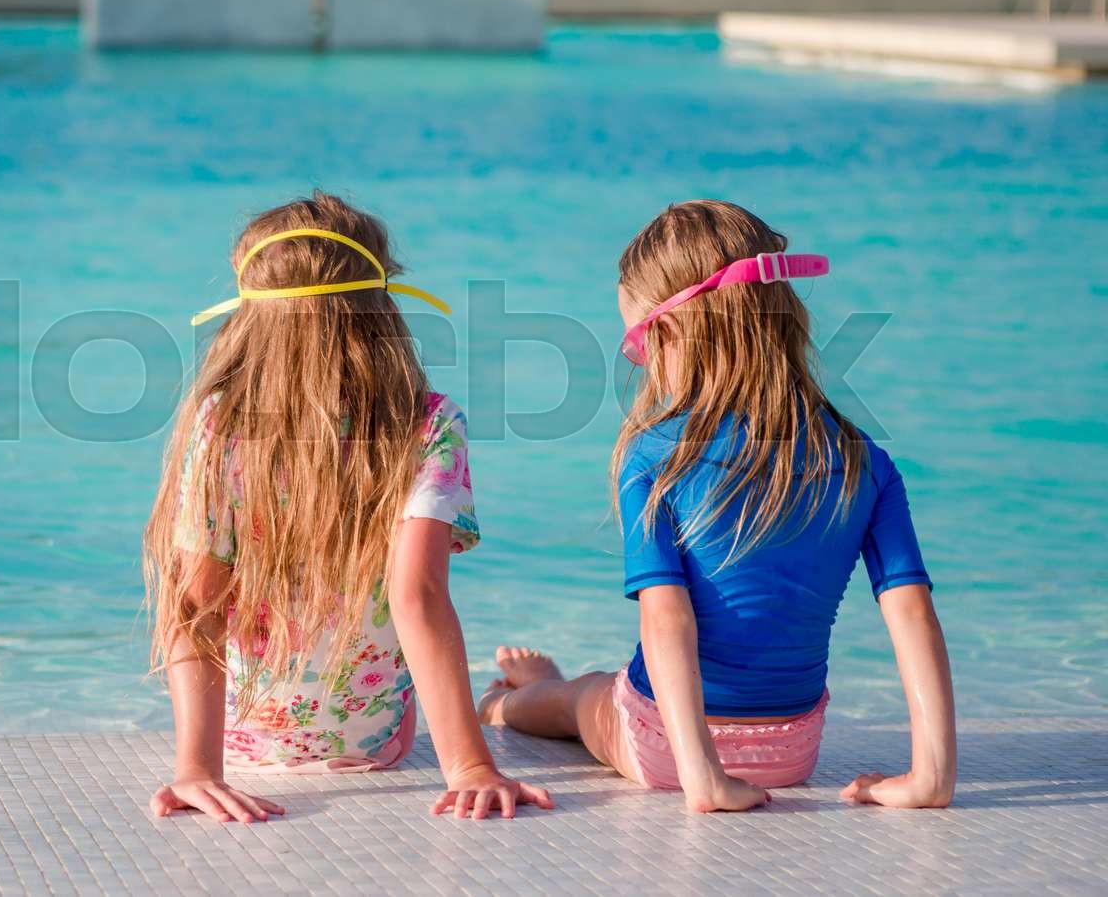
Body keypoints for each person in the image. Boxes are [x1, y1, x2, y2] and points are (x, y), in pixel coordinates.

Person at [480, 199, 956, 813]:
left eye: (637, 345)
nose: (642, 364)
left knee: (585, 698)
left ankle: (510, 699)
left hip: (666, 744)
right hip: (793, 748)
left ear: (671, 332)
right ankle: (550, 686)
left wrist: (702, 775)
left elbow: (667, 621)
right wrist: (929, 779)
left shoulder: (656, 455)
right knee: (601, 689)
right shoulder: (866, 461)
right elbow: (914, 615)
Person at [144, 192, 553, 823]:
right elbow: (417, 598)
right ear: (381, 304)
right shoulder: (429, 424)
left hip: (242, 742)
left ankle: (514, 697)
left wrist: (197, 771)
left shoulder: (220, 423)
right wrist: (471, 768)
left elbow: (197, 606)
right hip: (371, 741)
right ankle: (513, 698)